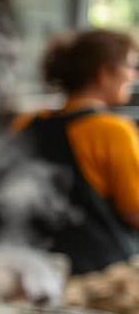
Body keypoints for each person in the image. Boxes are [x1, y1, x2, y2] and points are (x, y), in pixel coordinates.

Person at [20, 29, 139, 273]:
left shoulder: (26, 124)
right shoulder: (113, 130)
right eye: (130, 66)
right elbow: (135, 212)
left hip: (37, 270)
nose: (134, 75)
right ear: (104, 73)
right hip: (102, 276)